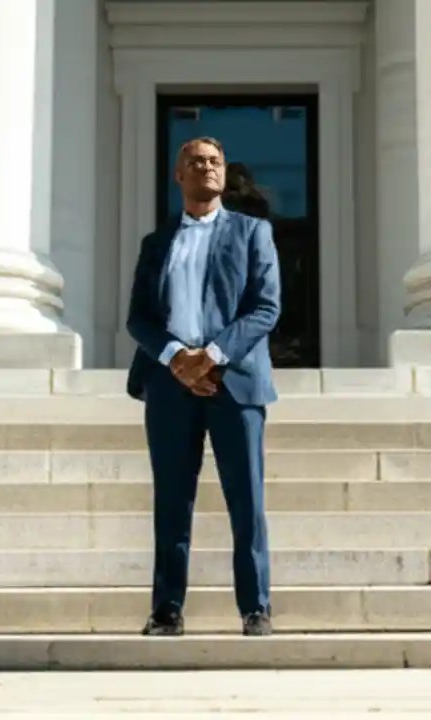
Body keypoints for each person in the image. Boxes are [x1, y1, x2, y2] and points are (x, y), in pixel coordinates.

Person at [125, 137, 282, 638]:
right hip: (170, 384)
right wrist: (177, 360)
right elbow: (139, 318)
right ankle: (166, 609)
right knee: (172, 500)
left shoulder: (254, 232)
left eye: (215, 162)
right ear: (179, 176)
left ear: (223, 173)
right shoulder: (157, 242)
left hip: (234, 381)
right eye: (196, 162)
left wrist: (211, 356)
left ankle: (255, 608)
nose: (207, 168)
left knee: (247, 500)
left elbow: (265, 307)